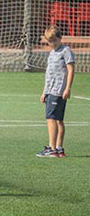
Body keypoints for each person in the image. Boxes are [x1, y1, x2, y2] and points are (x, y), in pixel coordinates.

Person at [37, 26, 75, 158]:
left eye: (54, 40)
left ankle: (52, 148)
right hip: (50, 90)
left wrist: (68, 88)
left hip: (58, 90)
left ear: (60, 38)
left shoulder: (66, 51)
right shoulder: (52, 53)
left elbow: (70, 70)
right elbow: (49, 75)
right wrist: (44, 92)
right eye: (49, 41)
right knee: (58, 120)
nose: (52, 44)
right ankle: (59, 149)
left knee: (52, 119)